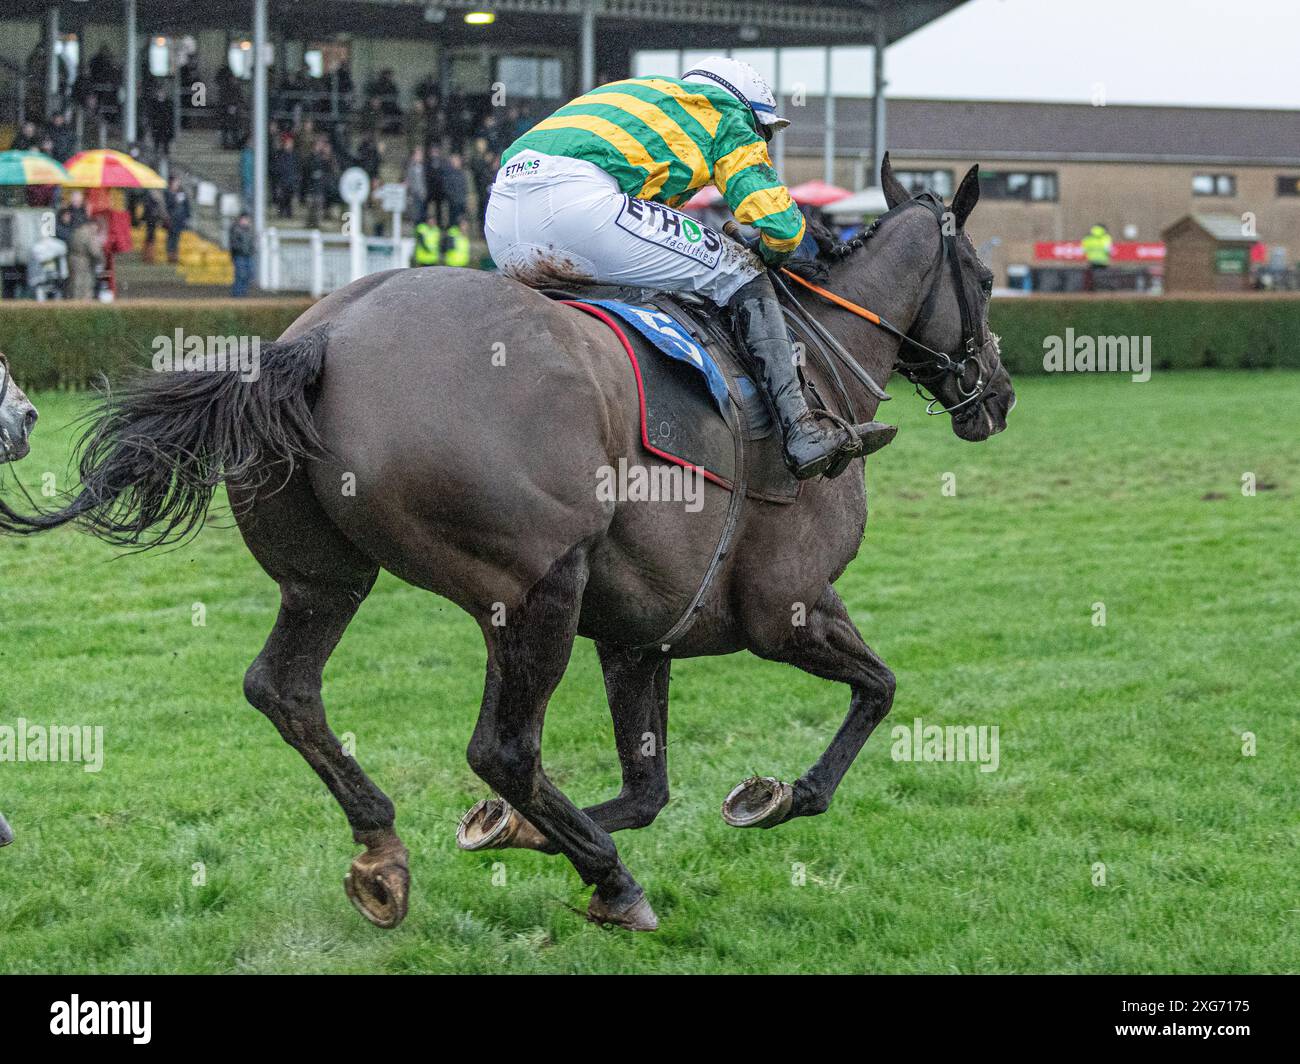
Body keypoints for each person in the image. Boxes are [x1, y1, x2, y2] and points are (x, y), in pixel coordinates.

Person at [485, 57, 892, 480]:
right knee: (740, 269)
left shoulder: (649, 100)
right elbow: (782, 225)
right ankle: (801, 430)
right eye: (764, 133)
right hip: (576, 204)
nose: (764, 144)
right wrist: (769, 252)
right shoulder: (723, 111)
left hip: (502, 215)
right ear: (749, 112)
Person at [67, 217, 105, 300]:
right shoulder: (89, 234)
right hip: (84, 262)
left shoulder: (77, 231)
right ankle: (84, 306)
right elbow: (94, 251)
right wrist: (102, 260)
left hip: (72, 259)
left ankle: (73, 303)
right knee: (86, 286)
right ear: (93, 225)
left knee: (75, 284)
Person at [163, 176, 190, 264]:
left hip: (179, 220)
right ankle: (170, 255)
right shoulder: (167, 193)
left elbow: (186, 205)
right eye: (176, 182)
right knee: (170, 238)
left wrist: (187, 216)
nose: (177, 184)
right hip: (171, 220)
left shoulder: (182, 193)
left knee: (176, 238)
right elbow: (167, 205)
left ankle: (175, 256)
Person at [228, 212, 256, 297]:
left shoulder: (249, 230)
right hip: (239, 255)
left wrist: (252, 249)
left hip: (248, 255)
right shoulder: (235, 229)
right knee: (240, 274)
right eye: (244, 219)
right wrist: (240, 249)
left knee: (249, 274)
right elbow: (234, 243)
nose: (246, 221)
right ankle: (237, 294)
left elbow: (252, 242)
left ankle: (243, 293)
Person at [1081, 222, 1113, 292]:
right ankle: (1103, 290)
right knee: (1104, 278)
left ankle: (1092, 291)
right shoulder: (1106, 237)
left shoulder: (1088, 237)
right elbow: (1108, 250)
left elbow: (1083, 250)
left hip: (1092, 261)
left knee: (1092, 278)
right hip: (1103, 262)